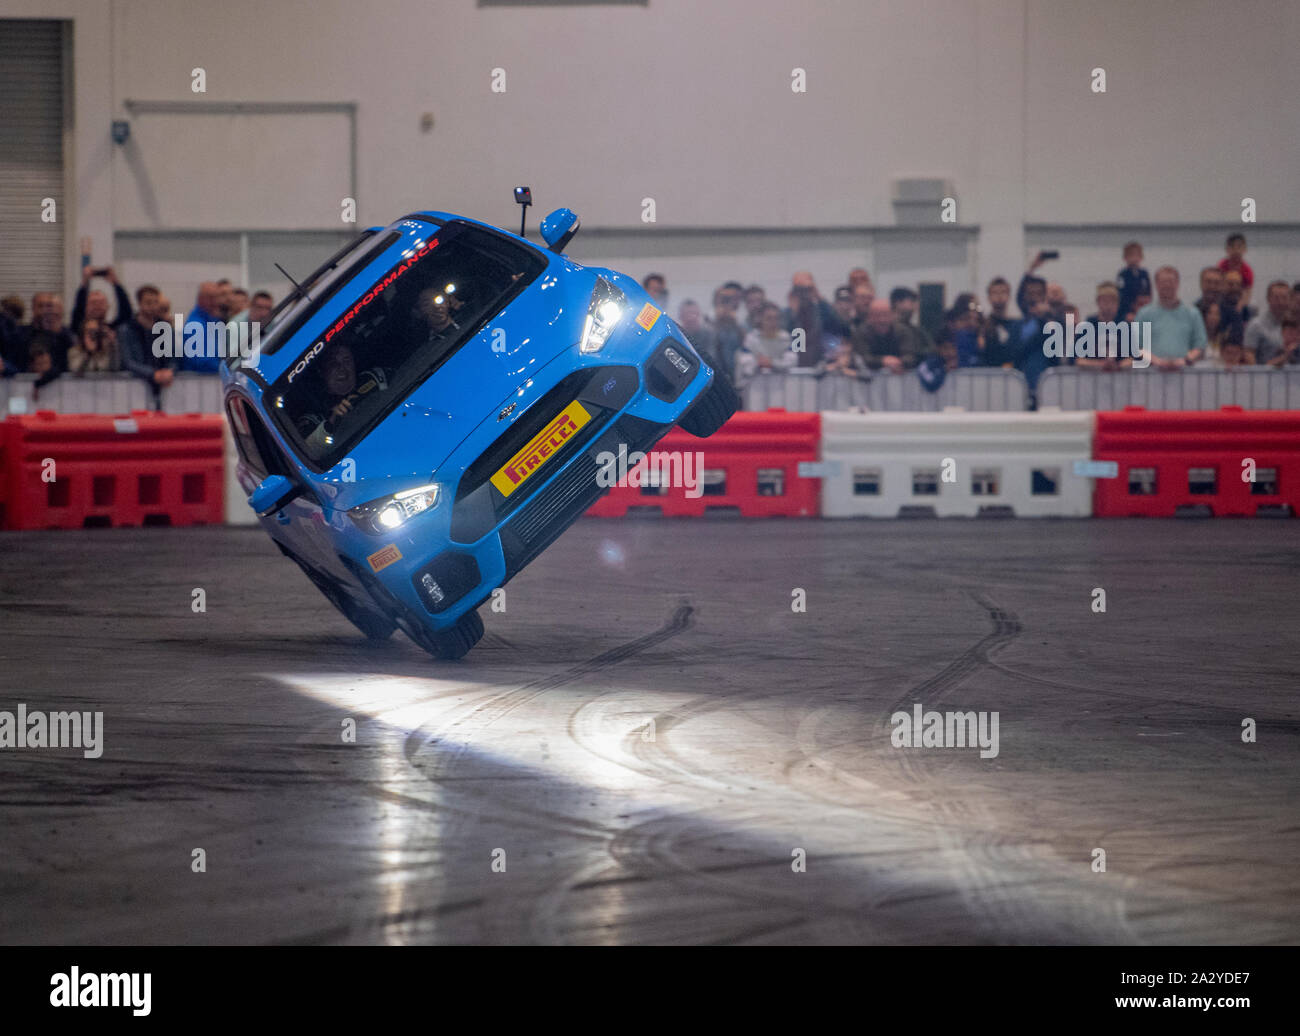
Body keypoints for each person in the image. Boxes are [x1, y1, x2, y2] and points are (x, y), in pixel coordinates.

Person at [297, 342, 392, 451]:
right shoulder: (313, 419)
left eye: (346, 360)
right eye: (333, 363)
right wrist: (333, 421)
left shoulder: (375, 379)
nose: (341, 368)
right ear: (322, 371)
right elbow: (310, 453)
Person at [1136, 266, 1207, 369]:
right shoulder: (1144, 314)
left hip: (1184, 373)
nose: (1167, 285)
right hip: (1152, 373)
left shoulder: (1193, 313)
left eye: (1170, 281)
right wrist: (1158, 362)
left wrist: (1183, 361)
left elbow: (1200, 345)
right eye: (1163, 282)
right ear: (1156, 284)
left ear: (1178, 283)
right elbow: (1137, 346)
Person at [118, 284, 179, 395]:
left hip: (164, 384)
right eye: (148, 303)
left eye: (155, 302)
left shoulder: (165, 329)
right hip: (136, 388)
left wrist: (170, 371)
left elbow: (174, 357)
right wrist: (153, 374)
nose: (153, 307)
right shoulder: (127, 329)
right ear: (140, 304)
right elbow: (128, 361)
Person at [735, 301, 795, 384]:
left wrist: (772, 363)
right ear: (761, 319)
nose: (773, 323)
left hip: (780, 386)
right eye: (769, 318)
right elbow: (746, 365)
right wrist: (758, 363)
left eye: (776, 318)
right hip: (756, 386)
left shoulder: (785, 338)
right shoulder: (751, 338)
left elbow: (791, 362)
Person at [1076, 283, 1131, 370]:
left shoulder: (1124, 326)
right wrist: (1100, 364)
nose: (1108, 305)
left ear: (1117, 304)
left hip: (1119, 378)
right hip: (1093, 378)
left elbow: (1134, 358)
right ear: (1098, 302)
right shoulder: (1089, 325)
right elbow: (1079, 360)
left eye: (1112, 302)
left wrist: (1118, 366)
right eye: (1105, 301)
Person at [70, 265, 132, 335]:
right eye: (93, 303)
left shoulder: (115, 329)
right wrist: (85, 282)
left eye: (101, 303)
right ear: (86, 307)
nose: (97, 306)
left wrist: (116, 283)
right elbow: (78, 309)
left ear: (108, 307)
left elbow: (126, 312)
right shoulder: (79, 328)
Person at [1245, 281, 1293, 365]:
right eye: (1276, 298)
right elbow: (1249, 355)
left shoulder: (1295, 325)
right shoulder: (1255, 325)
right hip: (1265, 377)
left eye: (1284, 298)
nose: (1281, 302)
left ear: (1290, 300)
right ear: (1268, 299)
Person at [675, 299, 719, 367]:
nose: (691, 317)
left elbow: (711, 359)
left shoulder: (709, 334)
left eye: (694, 313)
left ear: (699, 314)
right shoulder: (676, 335)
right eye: (687, 314)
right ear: (680, 316)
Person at [1116, 241, 1151, 320]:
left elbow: (1149, 292)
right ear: (1125, 257)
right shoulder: (1122, 275)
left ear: (1141, 257)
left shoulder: (1144, 274)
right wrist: (1131, 308)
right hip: (1126, 310)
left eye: (1137, 255)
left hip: (1143, 308)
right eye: (1131, 255)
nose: (1134, 258)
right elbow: (1121, 295)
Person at [1217, 233, 1254, 306]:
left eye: (1239, 247)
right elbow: (1218, 286)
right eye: (1232, 247)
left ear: (1245, 249)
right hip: (1223, 295)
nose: (1236, 250)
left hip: (1239, 297)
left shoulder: (1247, 270)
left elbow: (1248, 292)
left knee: (1253, 306)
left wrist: (1241, 304)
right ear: (1227, 249)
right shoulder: (1222, 265)